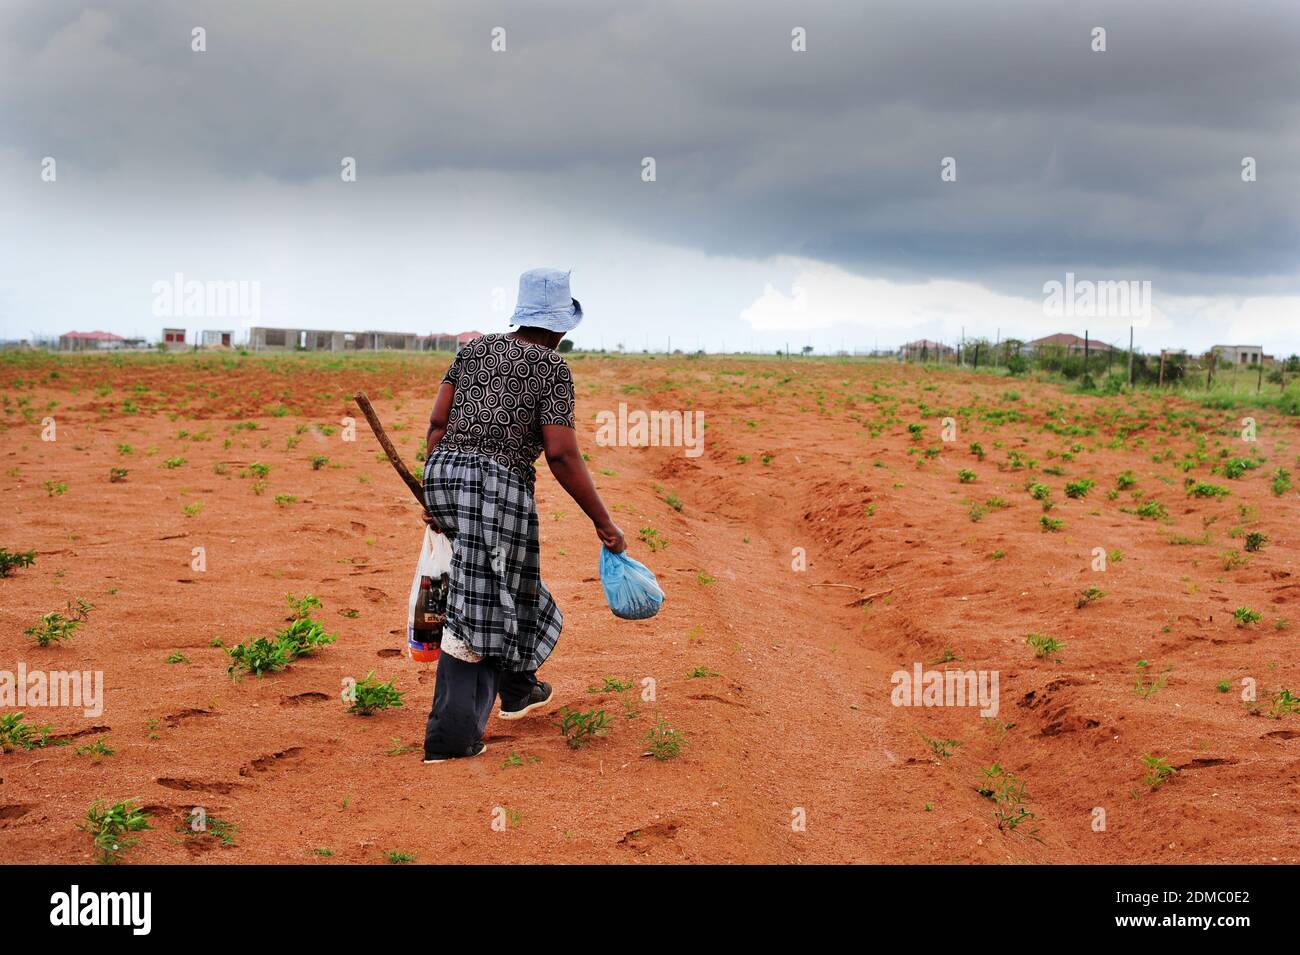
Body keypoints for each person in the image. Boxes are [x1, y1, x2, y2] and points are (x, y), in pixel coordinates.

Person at [419, 268, 626, 763]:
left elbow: (436, 423)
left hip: (444, 474)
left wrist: (434, 493)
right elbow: (560, 454)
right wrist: (603, 521)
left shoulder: (472, 351)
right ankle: (450, 739)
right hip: (496, 486)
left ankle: (516, 688)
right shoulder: (552, 367)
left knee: (507, 584)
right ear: (560, 325)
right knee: (481, 600)